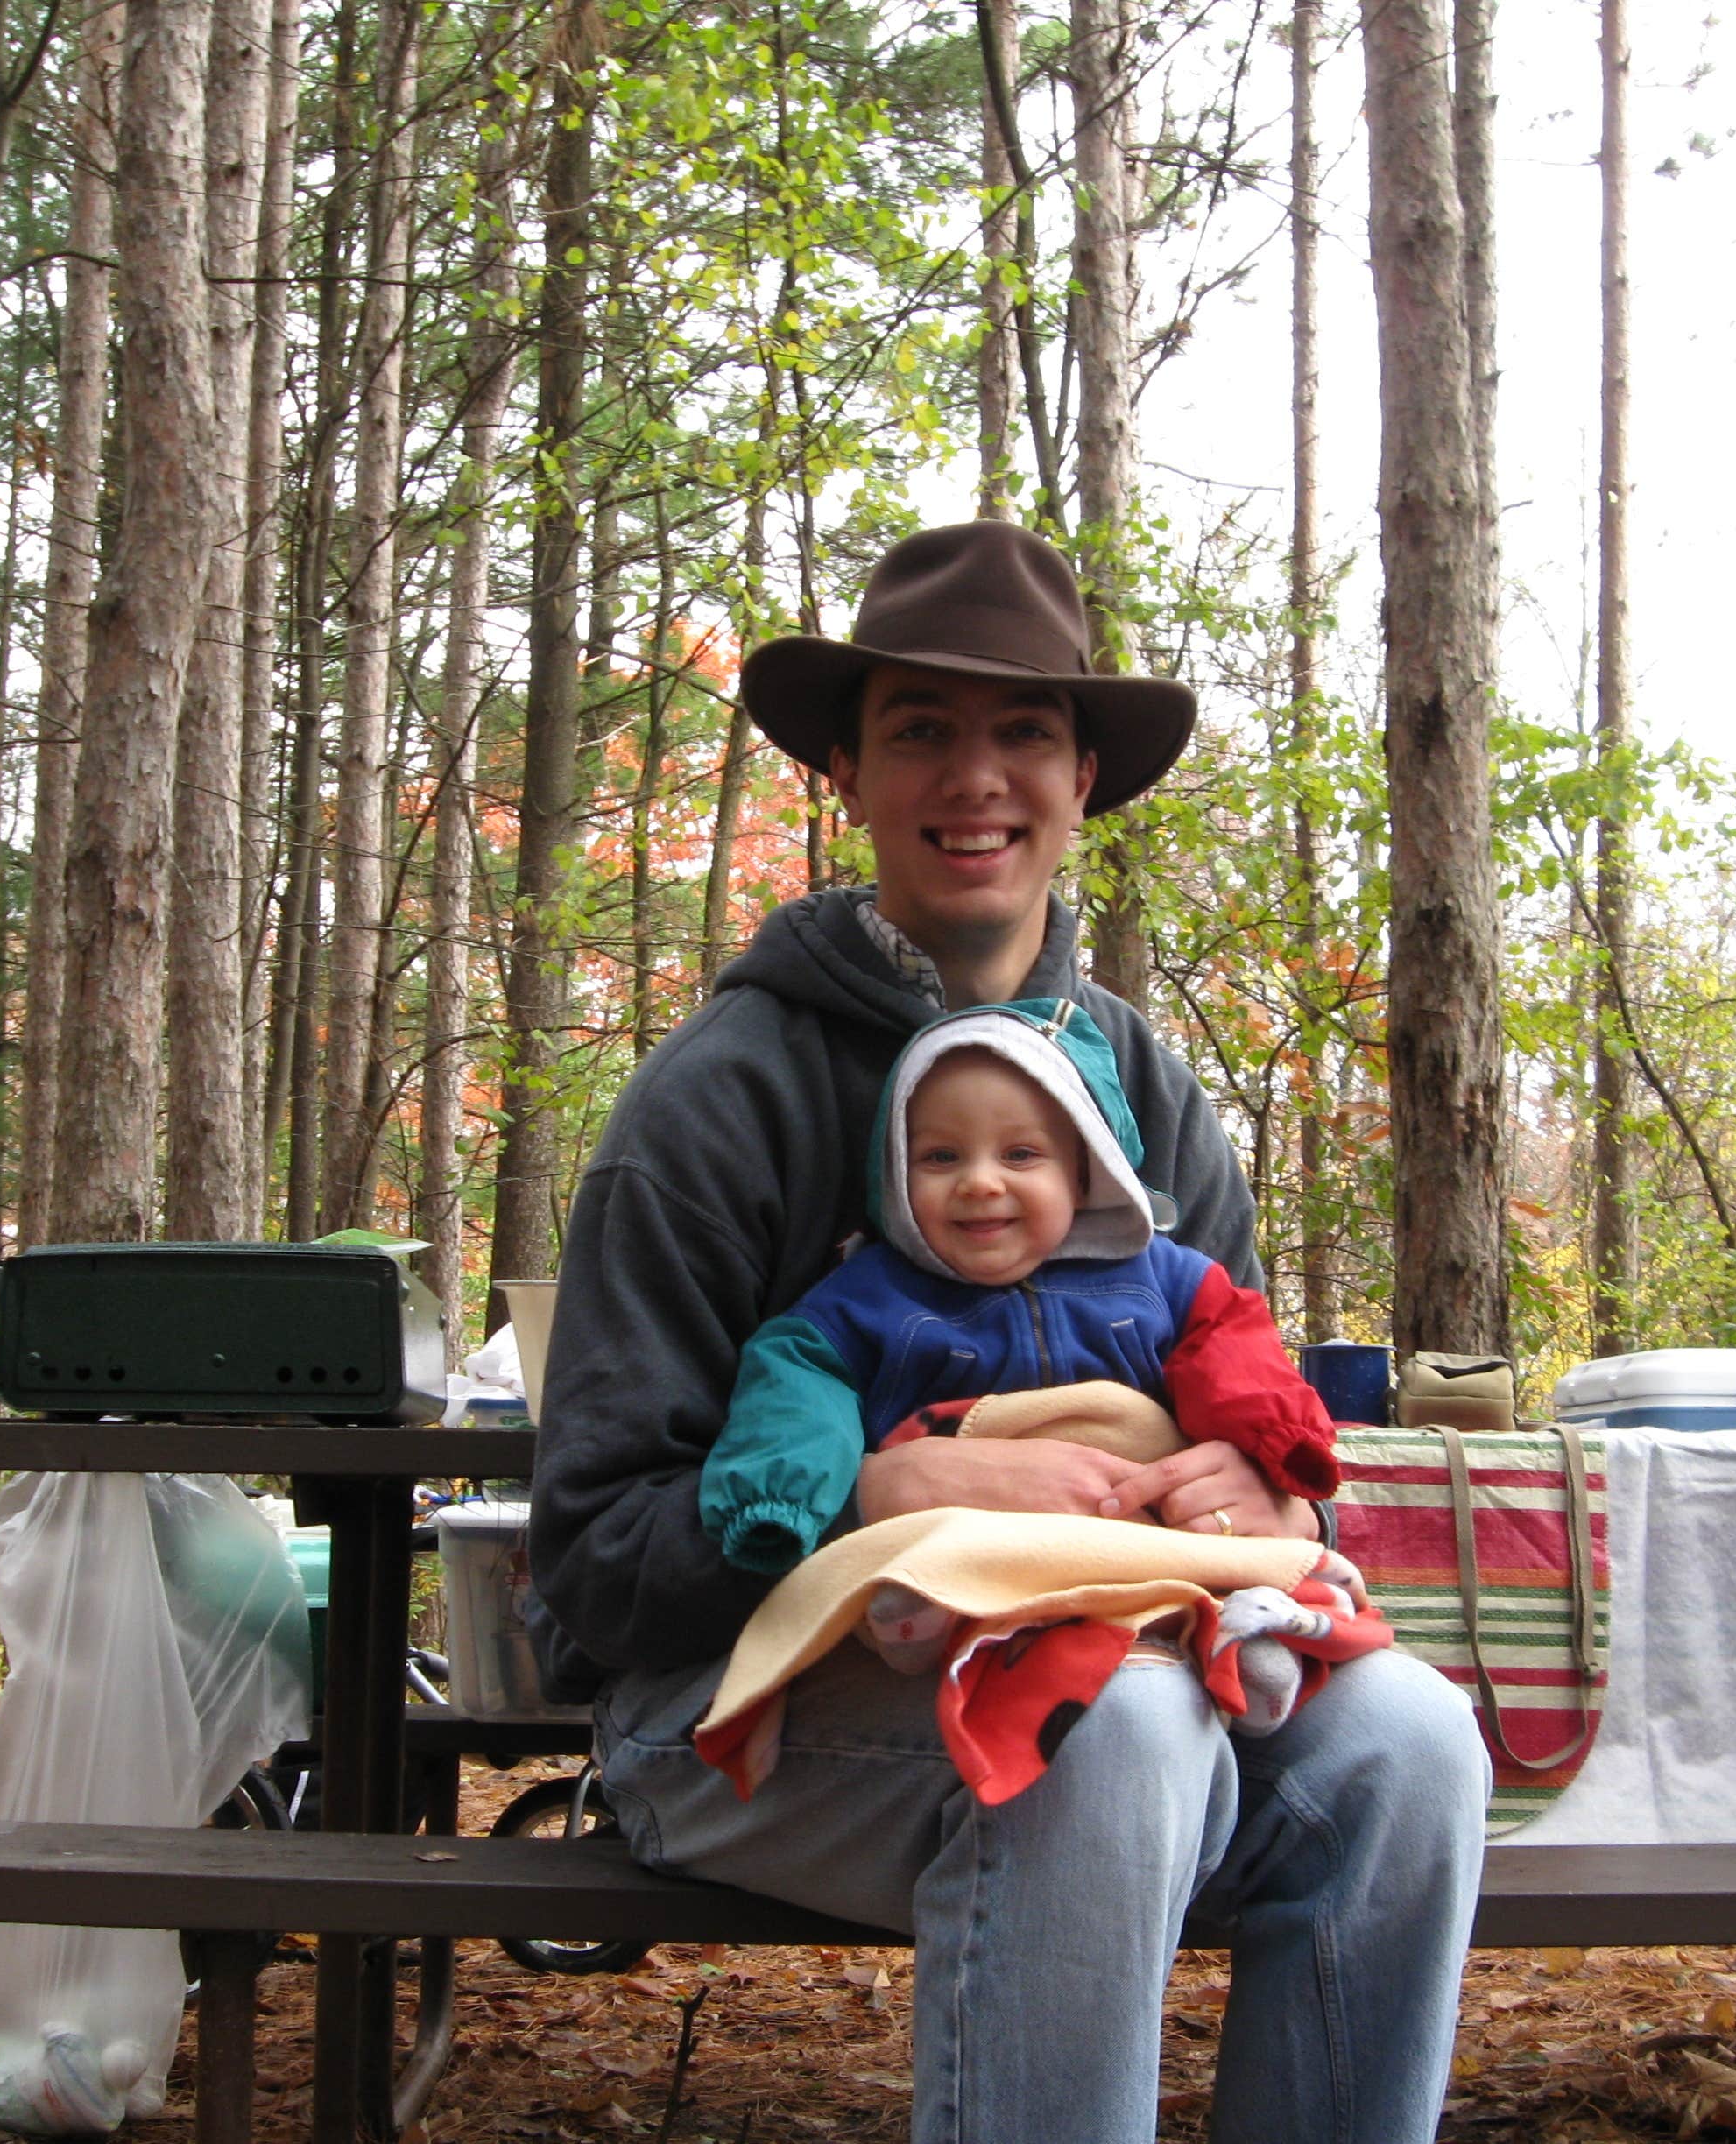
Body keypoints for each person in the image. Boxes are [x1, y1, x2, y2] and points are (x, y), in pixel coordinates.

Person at [528, 520, 1489, 2144]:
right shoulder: (721, 1100)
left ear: (1081, 777)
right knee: (1099, 1721)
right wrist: (857, 1502)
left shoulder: (1139, 1087)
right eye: (919, 727)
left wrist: (1277, 1502)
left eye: (1021, 730)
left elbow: (1238, 1390)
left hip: (1154, 1660)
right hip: (727, 1706)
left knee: (1407, 1738)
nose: (973, 775)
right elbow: (591, 1565)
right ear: (844, 769)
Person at [698, 997, 1343, 1581]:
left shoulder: (1163, 1278)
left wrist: (1280, 1451)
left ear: (1086, 1173)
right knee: (1141, 1705)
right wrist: (777, 1496)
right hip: (969, 1572)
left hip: (1158, 1549)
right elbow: (797, 1379)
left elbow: (1234, 1350)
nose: (979, 1182)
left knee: (1391, 1704)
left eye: (1020, 1155)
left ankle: (1259, 1643)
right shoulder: (870, 1297)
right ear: (896, 1176)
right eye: (941, 1157)